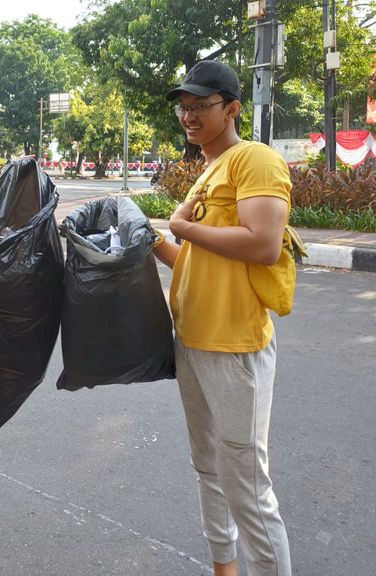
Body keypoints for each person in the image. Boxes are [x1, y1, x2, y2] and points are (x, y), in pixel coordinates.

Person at [152, 61, 292, 576]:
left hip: (234, 346)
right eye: (184, 107)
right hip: (191, 338)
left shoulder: (252, 159)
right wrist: (154, 243)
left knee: (248, 489)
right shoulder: (208, 170)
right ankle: (224, 569)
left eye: (201, 105)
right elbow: (196, 261)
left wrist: (179, 224)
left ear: (232, 108)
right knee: (208, 470)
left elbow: (262, 244)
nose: (189, 116)